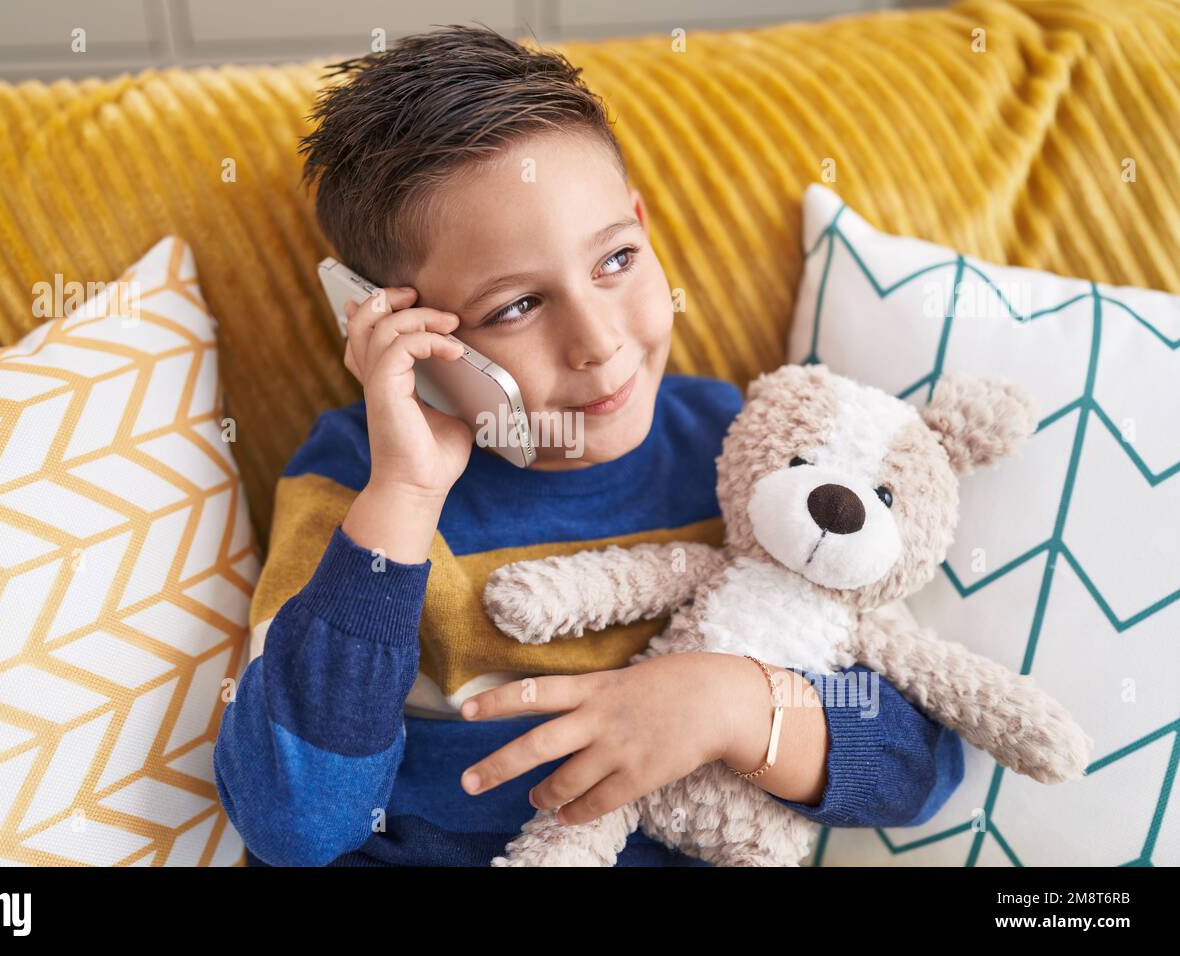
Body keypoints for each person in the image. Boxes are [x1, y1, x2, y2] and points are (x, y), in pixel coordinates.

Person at [213, 23, 963, 867]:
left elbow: (922, 765)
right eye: (516, 307)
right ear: (400, 332)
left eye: (615, 260)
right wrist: (406, 497)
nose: (599, 341)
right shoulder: (359, 486)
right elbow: (292, 823)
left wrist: (735, 707)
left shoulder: (749, 452)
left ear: (643, 225)